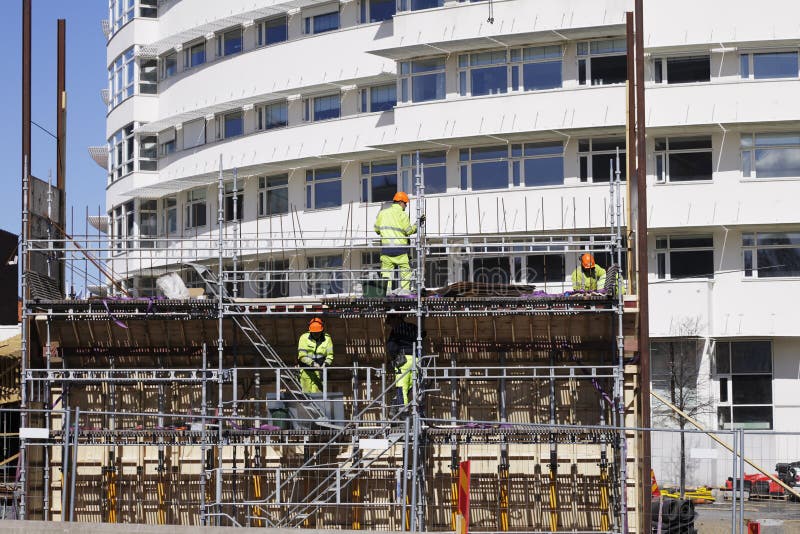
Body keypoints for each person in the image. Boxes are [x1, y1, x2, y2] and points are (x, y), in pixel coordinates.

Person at [374, 192, 425, 294]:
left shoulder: (382, 213)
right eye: (405, 204)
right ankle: (405, 291)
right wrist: (417, 224)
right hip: (400, 249)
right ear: (401, 202)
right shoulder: (402, 214)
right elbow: (408, 231)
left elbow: (376, 230)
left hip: (386, 249)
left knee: (386, 272)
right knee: (405, 270)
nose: (406, 206)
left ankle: (387, 291)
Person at [386, 316, 423, 414]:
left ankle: (403, 410)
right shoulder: (413, 327)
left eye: (391, 323)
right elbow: (422, 334)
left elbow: (391, 347)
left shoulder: (395, 331)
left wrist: (394, 357)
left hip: (403, 361)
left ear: (396, 319)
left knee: (401, 386)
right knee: (410, 385)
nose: (391, 325)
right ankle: (396, 403)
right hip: (416, 360)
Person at [297, 318, 334, 393]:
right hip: (306, 371)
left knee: (318, 395)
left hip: (319, 372)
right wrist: (312, 363)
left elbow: (330, 356)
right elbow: (302, 355)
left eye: (318, 333)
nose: (316, 335)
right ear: (310, 331)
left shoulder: (327, 339)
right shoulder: (304, 337)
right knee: (306, 394)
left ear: (322, 330)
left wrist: (325, 364)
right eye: (314, 333)